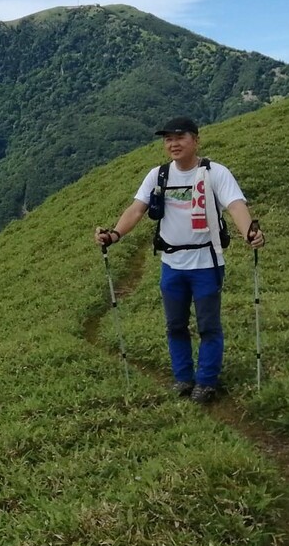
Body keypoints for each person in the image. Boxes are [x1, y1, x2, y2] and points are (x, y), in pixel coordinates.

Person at [94, 117, 265, 403]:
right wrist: (114, 235)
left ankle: (206, 381)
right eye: (168, 139)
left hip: (207, 263)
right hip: (171, 263)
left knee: (208, 325)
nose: (173, 143)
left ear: (195, 140)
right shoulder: (158, 176)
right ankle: (183, 378)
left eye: (180, 137)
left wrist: (249, 233)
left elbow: (236, 205)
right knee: (175, 325)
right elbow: (137, 209)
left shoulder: (215, 173)